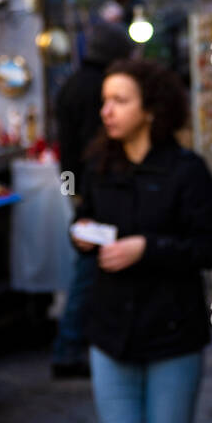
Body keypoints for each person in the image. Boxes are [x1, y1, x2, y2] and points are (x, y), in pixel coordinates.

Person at [70, 58, 212, 423]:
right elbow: (87, 218)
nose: (107, 110)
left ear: (151, 109)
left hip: (172, 332)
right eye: (105, 101)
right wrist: (82, 236)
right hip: (110, 332)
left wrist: (148, 247)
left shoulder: (187, 170)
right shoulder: (98, 167)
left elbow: (211, 247)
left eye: (120, 101)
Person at [50, 22, 132, 380]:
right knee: (88, 269)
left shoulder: (70, 85)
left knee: (91, 263)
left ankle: (78, 344)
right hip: (96, 187)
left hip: (80, 185)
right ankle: (68, 348)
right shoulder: (101, 89)